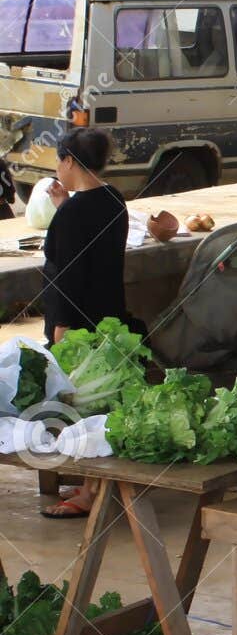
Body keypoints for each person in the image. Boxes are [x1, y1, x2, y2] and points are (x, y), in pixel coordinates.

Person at [38, 128, 132, 521]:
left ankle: (91, 490)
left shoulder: (76, 213)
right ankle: (91, 484)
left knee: (80, 408)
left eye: (59, 159)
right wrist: (64, 208)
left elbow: (69, 277)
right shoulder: (114, 200)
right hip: (109, 316)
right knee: (104, 404)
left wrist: (61, 329)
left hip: (77, 324)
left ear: (70, 161)